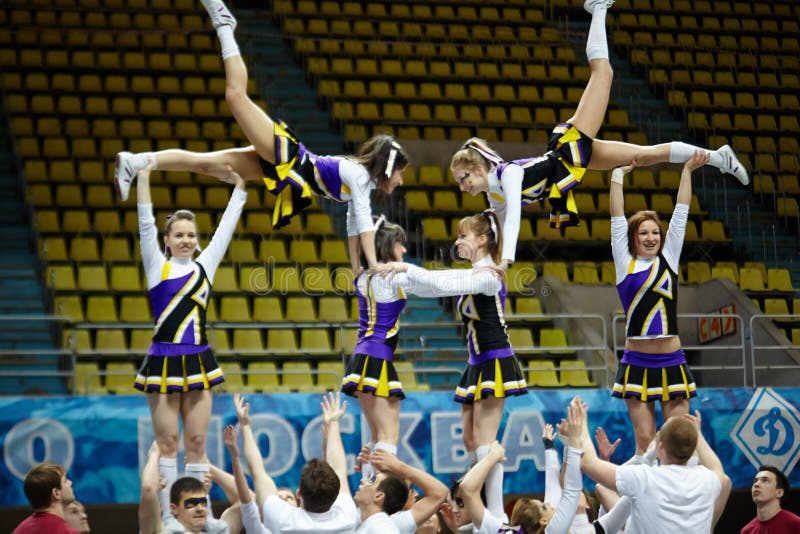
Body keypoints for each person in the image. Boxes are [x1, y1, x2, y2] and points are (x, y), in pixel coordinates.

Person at [448, 0, 748, 271]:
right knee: (644, 156)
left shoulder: (509, 175)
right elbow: (500, 227)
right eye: (460, 182)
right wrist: (487, 264)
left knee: (603, 74)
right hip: (572, 160)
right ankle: (718, 157)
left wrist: (507, 261)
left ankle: (598, 7)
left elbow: (514, 219)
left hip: (570, 145)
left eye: (464, 178)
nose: (462, 187)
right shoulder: (494, 194)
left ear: (477, 167)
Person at [113, 0, 408, 272]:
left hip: (283, 169)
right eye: (400, 173)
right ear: (387, 167)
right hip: (288, 156)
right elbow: (364, 224)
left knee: (205, 165)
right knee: (235, 96)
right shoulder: (359, 177)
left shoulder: (363, 183)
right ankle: (224, 25)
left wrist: (358, 269)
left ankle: (136, 162)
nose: (401, 181)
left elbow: (354, 226)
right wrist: (374, 264)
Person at [342, 216, 511, 476]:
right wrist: (405, 268)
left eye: (462, 236)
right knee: (387, 437)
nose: (404, 249)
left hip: (362, 358)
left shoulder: (363, 275)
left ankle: (369, 490)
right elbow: (434, 285)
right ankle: (378, 495)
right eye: (400, 244)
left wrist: (356, 214)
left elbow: (436, 285)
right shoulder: (390, 278)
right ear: (387, 246)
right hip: (378, 357)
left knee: (377, 438)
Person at [131, 163, 246, 515]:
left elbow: (226, 228)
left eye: (191, 235)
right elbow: (145, 222)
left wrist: (240, 188)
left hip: (198, 360)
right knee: (167, 443)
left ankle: (198, 515)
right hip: (163, 361)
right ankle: (168, 519)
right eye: (179, 235)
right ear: (166, 240)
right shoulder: (157, 266)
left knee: (196, 443)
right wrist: (144, 178)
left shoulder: (205, 265)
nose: (186, 240)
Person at [384, 211, 527, 472]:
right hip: (476, 362)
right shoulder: (473, 275)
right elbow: (431, 287)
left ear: (482, 239)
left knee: (485, 442)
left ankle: (489, 499)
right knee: (471, 441)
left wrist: (406, 268)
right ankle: (478, 494)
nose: (457, 241)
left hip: (495, 359)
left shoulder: (489, 276)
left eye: (463, 236)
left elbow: (441, 283)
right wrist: (391, 276)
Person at [609, 151, 717, 455]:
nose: (651, 237)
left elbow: (681, 212)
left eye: (655, 232)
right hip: (636, 362)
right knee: (645, 439)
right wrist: (617, 176)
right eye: (643, 232)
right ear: (632, 237)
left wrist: (687, 172)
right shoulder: (624, 263)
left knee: (680, 440)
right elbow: (616, 217)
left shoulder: (669, 257)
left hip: (671, 360)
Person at [578, 401, 732, 533]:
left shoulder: (644, 477)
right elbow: (717, 469)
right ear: (693, 447)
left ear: (660, 445)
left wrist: (580, 428)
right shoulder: (707, 479)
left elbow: (588, 463)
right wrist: (697, 433)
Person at [230, 391, 359, 534]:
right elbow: (338, 467)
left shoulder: (283, 520)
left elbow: (257, 472)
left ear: (299, 494)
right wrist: (333, 424)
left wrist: (245, 426)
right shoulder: (347, 517)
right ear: (336, 496)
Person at [139, 442, 231, 534]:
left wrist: (209, 467)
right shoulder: (165, 530)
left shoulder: (218, 529)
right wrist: (154, 455)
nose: (200, 509)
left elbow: (239, 501)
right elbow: (148, 489)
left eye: (203, 503)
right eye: (191, 504)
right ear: (174, 509)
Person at [369, 448, 449, 534]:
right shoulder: (390, 523)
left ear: (440, 526)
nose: (415, 494)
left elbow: (440, 493)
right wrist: (398, 466)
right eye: (408, 490)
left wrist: (369, 462)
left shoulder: (395, 523)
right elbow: (439, 493)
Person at [12, 462, 78, 534]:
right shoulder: (68, 532)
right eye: (65, 481)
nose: (70, 482)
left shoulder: (19, 530)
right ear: (56, 493)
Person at [740, 465, 800, 533]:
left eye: (765, 480)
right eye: (755, 481)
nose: (756, 484)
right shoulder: (746, 531)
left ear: (779, 492)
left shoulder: (796, 524)